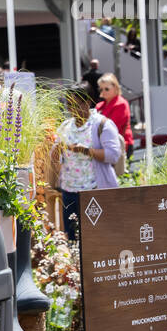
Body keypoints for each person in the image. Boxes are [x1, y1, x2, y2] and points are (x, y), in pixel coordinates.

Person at [51, 90, 121, 242]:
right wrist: (56, 149)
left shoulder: (101, 125)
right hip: (69, 190)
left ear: (87, 103)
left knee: (97, 237)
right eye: (69, 105)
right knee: (73, 238)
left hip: (94, 191)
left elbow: (113, 155)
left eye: (76, 104)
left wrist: (85, 150)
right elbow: (55, 156)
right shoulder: (65, 126)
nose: (72, 109)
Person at [96, 73, 133, 175]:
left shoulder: (121, 104)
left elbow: (112, 127)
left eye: (106, 89)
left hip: (120, 146)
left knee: (119, 178)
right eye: (101, 89)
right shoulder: (99, 106)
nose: (103, 91)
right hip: (103, 147)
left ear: (115, 88)